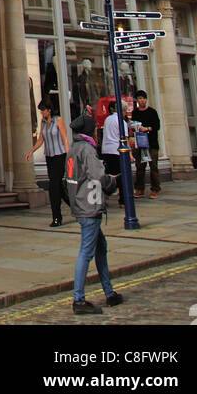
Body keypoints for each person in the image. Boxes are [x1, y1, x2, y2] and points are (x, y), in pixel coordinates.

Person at [66, 111, 125, 315]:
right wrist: (113, 182)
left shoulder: (73, 148)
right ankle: (78, 300)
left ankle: (109, 293)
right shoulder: (87, 149)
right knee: (86, 252)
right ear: (90, 131)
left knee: (100, 248)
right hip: (89, 206)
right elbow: (98, 176)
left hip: (82, 204)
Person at [26, 98, 69, 226]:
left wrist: (69, 156)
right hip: (49, 156)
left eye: (43, 110)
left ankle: (57, 217)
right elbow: (41, 139)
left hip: (60, 155)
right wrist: (32, 151)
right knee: (58, 186)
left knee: (53, 186)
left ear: (49, 110)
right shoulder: (43, 122)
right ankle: (75, 207)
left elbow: (65, 139)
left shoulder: (58, 120)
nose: (41, 113)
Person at [100, 100, 132, 207]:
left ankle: (104, 196)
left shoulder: (107, 120)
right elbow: (125, 139)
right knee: (122, 175)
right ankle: (123, 200)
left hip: (106, 150)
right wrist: (130, 155)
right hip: (117, 150)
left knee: (109, 175)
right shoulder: (121, 121)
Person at [131, 90, 162, 198]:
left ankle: (155, 189)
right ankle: (139, 188)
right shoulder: (135, 113)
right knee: (140, 167)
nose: (142, 100)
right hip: (140, 143)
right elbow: (132, 125)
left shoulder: (152, 112)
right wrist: (137, 128)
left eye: (143, 98)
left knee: (153, 166)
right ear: (137, 100)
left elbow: (157, 126)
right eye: (140, 98)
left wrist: (147, 128)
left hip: (152, 143)